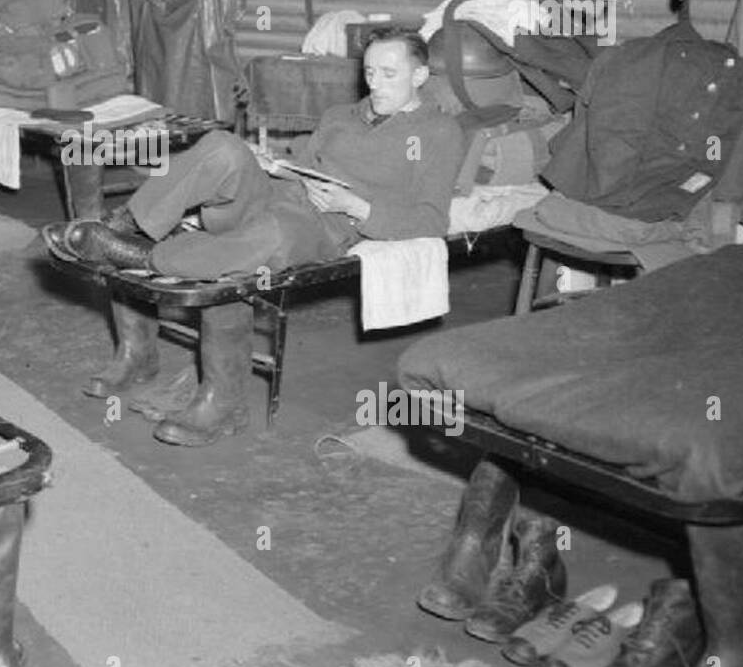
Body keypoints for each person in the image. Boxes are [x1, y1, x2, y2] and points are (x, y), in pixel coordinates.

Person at [47, 28, 466, 447]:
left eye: (389, 74)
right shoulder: (341, 115)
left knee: (270, 236)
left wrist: (356, 206)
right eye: (370, 72)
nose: (375, 84)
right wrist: (273, 164)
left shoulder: (439, 132)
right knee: (224, 145)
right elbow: (304, 166)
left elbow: (431, 220)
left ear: (420, 75)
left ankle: (144, 257)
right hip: (284, 196)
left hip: (329, 223)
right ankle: (125, 226)